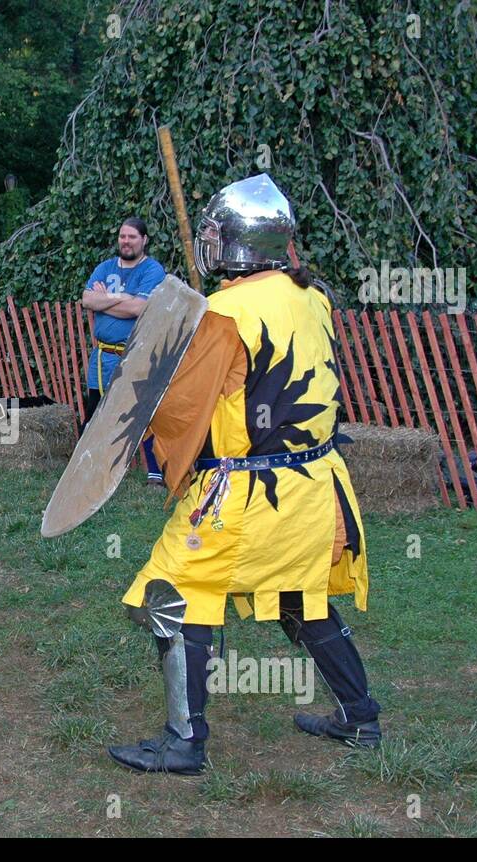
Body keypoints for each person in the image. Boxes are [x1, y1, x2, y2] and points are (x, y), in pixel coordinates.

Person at [106, 174, 378, 776]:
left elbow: (182, 407)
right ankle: (360, 717)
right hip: (314, 489)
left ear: (233, 243)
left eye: (214, 233)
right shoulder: (313, 296)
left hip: (244, 493)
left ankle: (183, 742)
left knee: (169, 595)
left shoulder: (224, 313)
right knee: (298, 599)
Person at [80, 219, 166, 485]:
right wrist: (124, 299)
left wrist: (105, 301)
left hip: (137, 353)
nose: (125, 241)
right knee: (96, 413)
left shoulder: (152, 270)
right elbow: (87, 300)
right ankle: (88, 471)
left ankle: (155, 471)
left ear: (144, 240)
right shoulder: (104, 268)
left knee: (143, 411)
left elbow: (139, 309)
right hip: (103, 357)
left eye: (131, 237)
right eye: (122, 236)